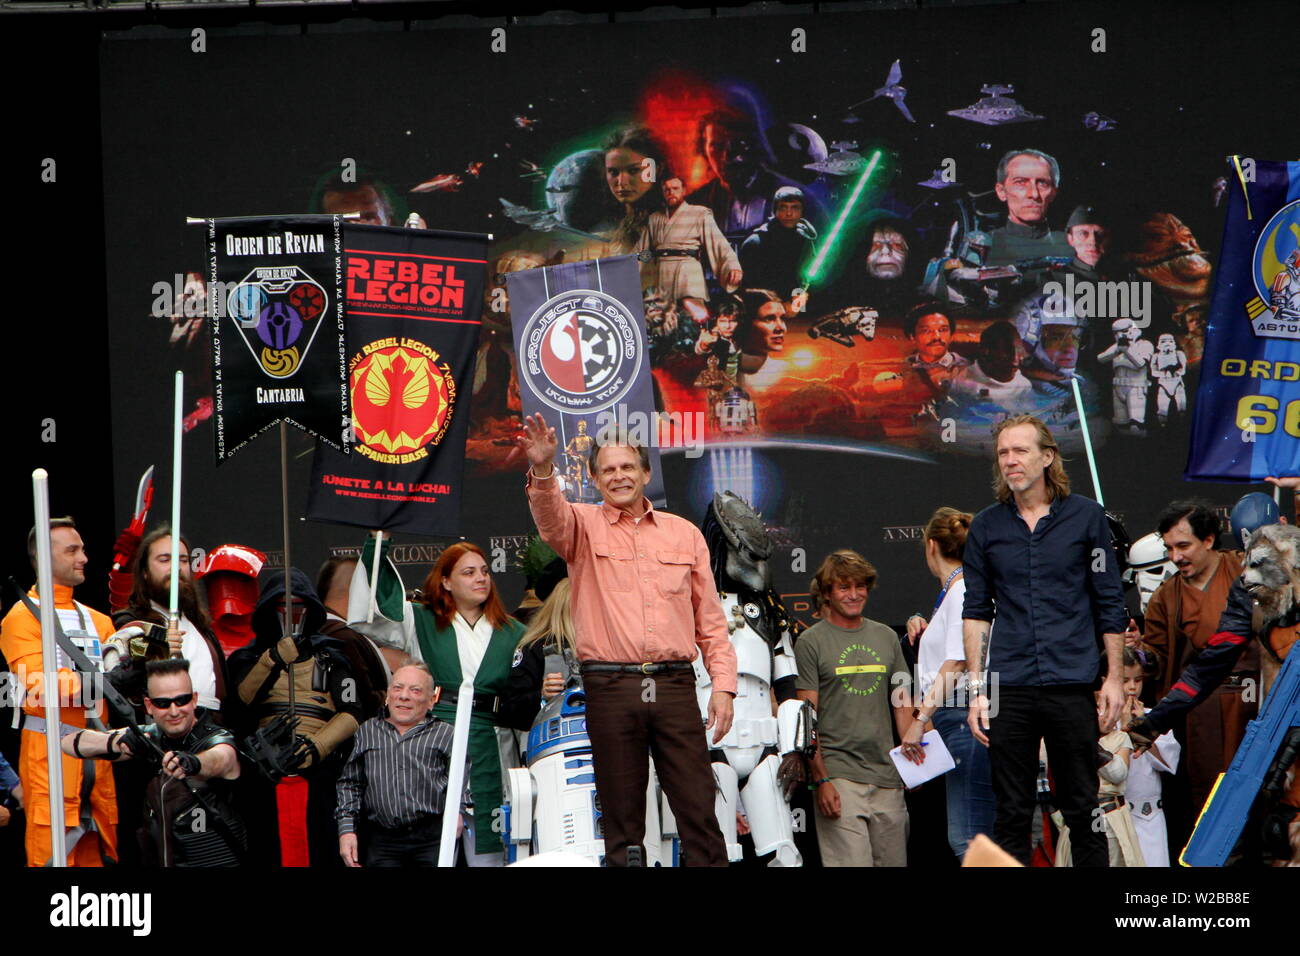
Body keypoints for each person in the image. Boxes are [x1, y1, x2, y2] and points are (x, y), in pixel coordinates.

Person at [517, 413, 736, 866]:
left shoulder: (685, 534)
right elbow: (550, 517)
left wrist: (725, 687)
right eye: (609, 470)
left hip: (675, 685)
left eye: (628, 467)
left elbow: (711, 623)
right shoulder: (580, 526)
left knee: (700, 812)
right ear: (595, 479)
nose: (619, 476)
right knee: (622, 823)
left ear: (646, 473)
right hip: (610, 686)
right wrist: (542, 470)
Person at [963, 414, 1127, 866]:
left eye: (1020, 451)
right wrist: (979, 693)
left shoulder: (1087, 518)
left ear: (1047, 456)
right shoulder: (986, 527)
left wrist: (1113, 678)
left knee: (1082, 805)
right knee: (1011, 812)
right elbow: (976, 611)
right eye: (1003, 453)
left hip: (1072, 682)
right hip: (1010, 685)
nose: (1010, 461)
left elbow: (1109, 601)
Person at [0, 517, 120, 867]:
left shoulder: (101, 621)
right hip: (50, 765)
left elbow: (124, 685)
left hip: (99, 768)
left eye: (82, 548)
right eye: (72, 550)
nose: (83, 557)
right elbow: (34, 685)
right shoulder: (21, 619)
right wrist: (100, 682)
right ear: (44, 558)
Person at [1134, 500, 1254, 845]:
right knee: (1209, 801)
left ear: (1209, 540)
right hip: (1199, 711)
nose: (1175, 557)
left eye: (1183, 546)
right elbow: (1155, 660)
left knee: (1259, 794)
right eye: (1170, 548)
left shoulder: (1247, 573)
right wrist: (1135, 652)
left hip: (1254, 702)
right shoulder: (1165, 597)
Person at [227, 568, 364, 867]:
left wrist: (315, 746)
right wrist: (272, 660)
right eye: (282, 608)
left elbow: (352, 712)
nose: (291, 615)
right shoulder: (247, 658)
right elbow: (238, 706)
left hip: (319, 773)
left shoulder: (332, 656)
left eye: (298, 607)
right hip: (265, 774)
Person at [402, 542, 525, 866]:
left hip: (492, 742)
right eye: (468, 572)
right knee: (432, 846)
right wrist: (378, 542)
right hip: (437, 739)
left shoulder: (514, 632)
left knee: (491, 844)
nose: (480, 578)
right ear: (445, 581)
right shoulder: (423, 621)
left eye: (484, 571)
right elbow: (377, 613)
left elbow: (527, 693)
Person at [795, 549, 919, 867]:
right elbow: (807, 719)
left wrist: (913, 766)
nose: (854, 595)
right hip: (839, 776)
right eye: (844, 587)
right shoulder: (811, 642)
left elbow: (902, 703)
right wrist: (821, 780)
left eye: (860, 586)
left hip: (887, 777)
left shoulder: (887, 637)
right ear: (826, 593)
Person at [61, 659, 245, 867]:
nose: (174, 711)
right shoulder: (151, 737)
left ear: (194, 700)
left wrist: (192, 763)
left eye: (182, 700)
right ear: (149, 706)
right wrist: (119, 742)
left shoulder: (217, 738)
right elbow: (69, 743)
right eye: (163, 704)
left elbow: (222, 759)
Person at [901, 508, 995, 860]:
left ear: (931, 546)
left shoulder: (963, 590)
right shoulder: (957, 591)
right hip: (958, 717)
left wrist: (919, 719)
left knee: (969, 838)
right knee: (975, 834)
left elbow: (957, 660)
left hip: (961, 715)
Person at [336, 662, 454, 867]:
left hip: (432, 839)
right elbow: (350, 784)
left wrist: (458, 815)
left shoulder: (445, 734)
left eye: (415, 690)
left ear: (431, 700)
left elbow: (462, 782)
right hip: (383, 841)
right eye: (397, 688)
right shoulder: (367, 731)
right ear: (388, 695)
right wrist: (347, 831)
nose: (404, 696)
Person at [111, 527, 225, 716]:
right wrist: (157, 649)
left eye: (183, 560)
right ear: (145, 571)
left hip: (209, 731)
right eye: (165, 560)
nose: (176, 567)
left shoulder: (201, 627)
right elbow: (128, 675)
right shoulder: (133, 624)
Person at [1054, 669, 1145, 867]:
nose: (1107, 715)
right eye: (1101, 709)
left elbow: (1118, 773)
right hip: (1076, 814)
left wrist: (1090, 745)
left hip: (1108, 814)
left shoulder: (1120, 737)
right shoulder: (1067, 739)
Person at [686, 110, 823, 240]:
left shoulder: (795, 197)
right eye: (716, 146)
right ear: (704, 150)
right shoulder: (695, 203)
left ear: (752, 145)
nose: (726, 156)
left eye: (736, 144)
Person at [1119, 648, 1180, 866]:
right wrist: (1123, 727)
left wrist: (1141, 728)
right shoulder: (1102, 721)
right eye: (1125, 680)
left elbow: (1169, 762)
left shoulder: (1156, 717)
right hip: (1116, 815)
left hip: (1150, 816)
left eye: (1138, 679)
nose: (1132, 687)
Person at [640, 175, 742, 302]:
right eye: (667, 190)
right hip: (662, 274)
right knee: (663, 317)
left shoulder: (699, 213)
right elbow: (642, 251)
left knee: (690, 317)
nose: (671, 192)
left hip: (688, 271)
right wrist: (632, 265)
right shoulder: (654, 219)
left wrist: (732, 265)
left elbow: (718, 243)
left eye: (675, 188)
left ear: (684, 191)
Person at [315, 555, 389, 718]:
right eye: (371, 587)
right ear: (359, 591)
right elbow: (366, 702)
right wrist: (395, 691)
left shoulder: (319, 629)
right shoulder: (344, 638)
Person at [986, 149, 1074, 267]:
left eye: (1042, 183)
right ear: (1001, 191)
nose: (1034, 194)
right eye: (1020, 182)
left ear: (1053, 193)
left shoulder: (1074, 247)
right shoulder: (983, 245)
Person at [738, 186, 816, 302]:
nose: (789, 213)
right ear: (775, 211)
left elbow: (806, 280)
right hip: (765, 308)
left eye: (795, 208)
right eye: (783, 208)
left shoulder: (805, 240)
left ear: (802, 211)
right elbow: (747, 287)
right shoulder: (756, 242)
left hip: (797, 308)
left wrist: (797, 304)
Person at [603, 126, 671, 258]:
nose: (621, 182)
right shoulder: (612, 224)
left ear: (656, 170)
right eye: (613, 172)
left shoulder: (671, 222)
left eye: (633, 171)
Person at [949, 320, 1032, 411]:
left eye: (1019, 351)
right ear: (985, 350)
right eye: (1007, 351)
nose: (1015, 361)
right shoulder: (960, 382)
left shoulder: (1024, 387)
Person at [903, 301, 969, 397]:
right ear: (912, 337)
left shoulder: (968, 369)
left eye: (943, 330)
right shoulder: (903, 368)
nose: (936, 337)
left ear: (951, 335)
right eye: (926, 331)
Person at [735, 289, 790, 391]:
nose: (781, 328)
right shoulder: (716, 369)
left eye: (782, 319)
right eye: (769, 319)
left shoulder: (785, 372)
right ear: (744, 323)